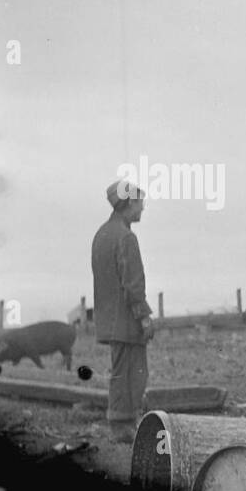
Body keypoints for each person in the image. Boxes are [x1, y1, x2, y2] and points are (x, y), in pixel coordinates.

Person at [92, 179, 155, 442]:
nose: (142, 208)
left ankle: (122, 423)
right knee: (133, 373)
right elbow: (133, 282)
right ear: (128, 204)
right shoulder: (126, 237)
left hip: (110, 319)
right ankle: (123, 426)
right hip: (127, 319)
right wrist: (144, 316)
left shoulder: (101, 235)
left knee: (121, 371)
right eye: (140, 202)